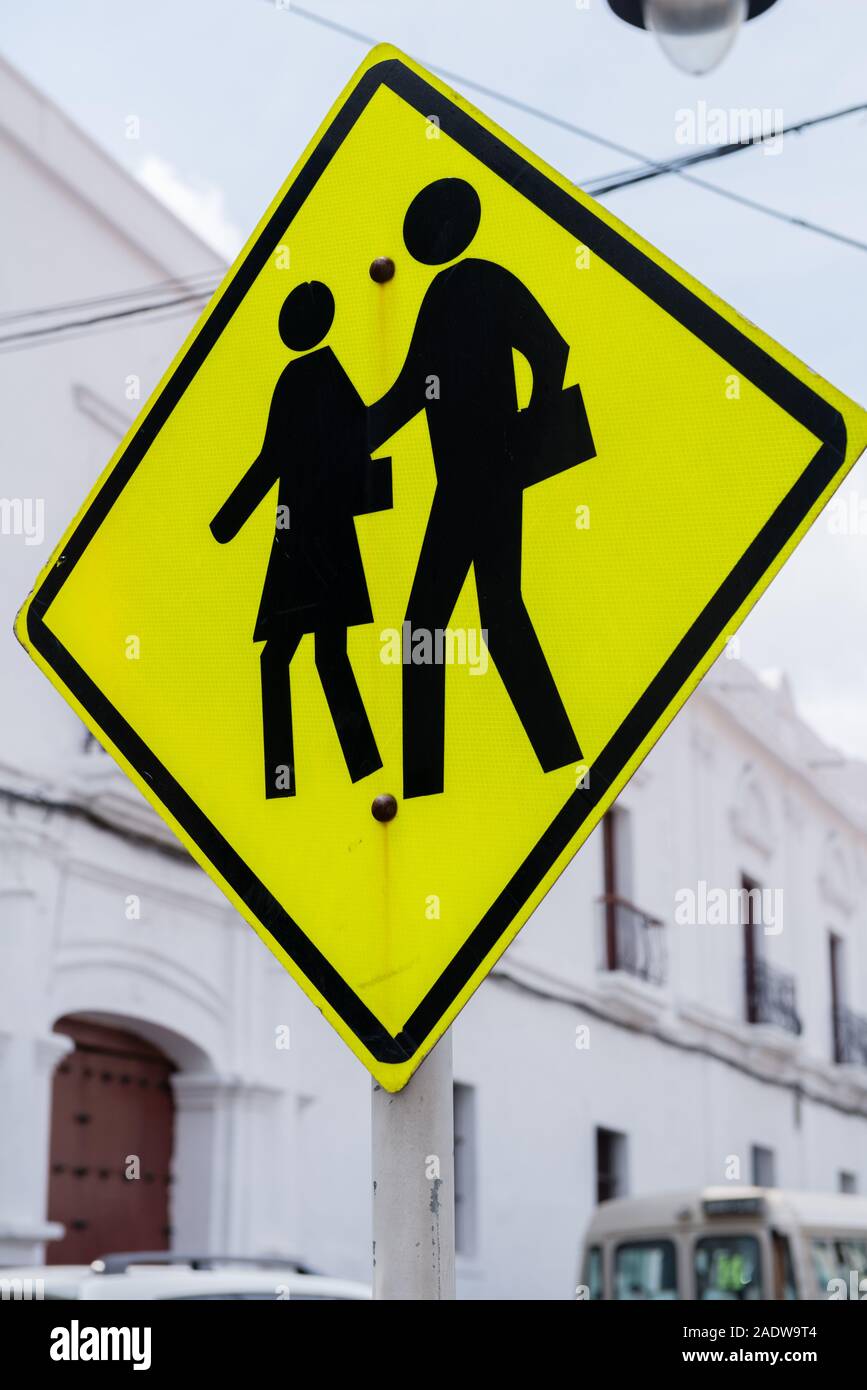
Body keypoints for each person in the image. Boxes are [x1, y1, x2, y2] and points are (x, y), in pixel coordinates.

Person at [369, 178, 595, 799]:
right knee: (495, 613)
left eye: (440, 228)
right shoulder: (441, 296)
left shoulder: (487, 281)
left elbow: (552, 349)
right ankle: (557, 757)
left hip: (484, 475)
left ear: (456, 230)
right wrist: (339, 446)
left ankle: (425, 783)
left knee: (431, 621)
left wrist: (530, 434)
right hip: (465, 480)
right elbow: (411, 392)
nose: (434, 240)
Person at [211, 280, 391, 798]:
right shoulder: (332, 374)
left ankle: (281, 779)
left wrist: (228, 520)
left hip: (300, 542)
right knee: (328, 654)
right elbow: (362, 439)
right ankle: (363, 767)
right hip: (328, 538)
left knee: (279, 659)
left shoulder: (298, 379)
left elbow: (272, 457)